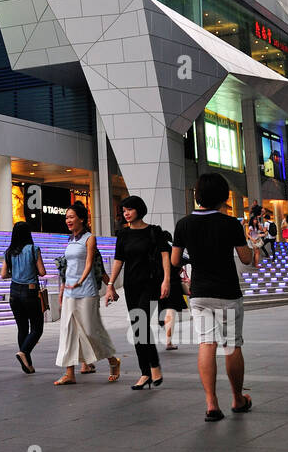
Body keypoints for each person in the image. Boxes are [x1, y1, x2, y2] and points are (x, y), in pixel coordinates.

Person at [171, 173, 255, 421]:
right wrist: (252, 242)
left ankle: (211, 404)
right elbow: (247, 258)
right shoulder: (230, 224)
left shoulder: (184, 224)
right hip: (227, 293)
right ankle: (238, 399)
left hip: (199, 293)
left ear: (197, 196)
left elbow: (175, 260)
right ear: (223, 196)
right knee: (232, 346)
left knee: (207, 344)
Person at [104, 195, 173, 389]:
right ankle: (145, 373)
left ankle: (154, 367)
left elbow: (164, 255)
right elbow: (119, 260)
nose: (126, 213)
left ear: (139, 210)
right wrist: (110, 285)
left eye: (130, 209)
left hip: (150, 284)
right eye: (124, 210)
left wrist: (166, 280)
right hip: (131, 285)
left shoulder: (154, 231)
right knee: (137, 328)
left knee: (141, 323)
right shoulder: (123, 234)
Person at [55, 201, 121, 385]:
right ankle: (69, 373)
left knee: (92, 330)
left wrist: (80, 281)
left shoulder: (89, 238)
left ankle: (113, 361)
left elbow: (91, 263)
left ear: (81, 219)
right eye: (66, 217)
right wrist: (63, 289)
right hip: (70, 291)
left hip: (86, 291)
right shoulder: (70, 240)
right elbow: (67, 267)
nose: (68, 220)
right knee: (68, 330)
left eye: (71, 217)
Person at [1, 221, 48, 373]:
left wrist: (14, 274)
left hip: (14, 292)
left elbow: (3, 275)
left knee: (22, 328)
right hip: (30, 291)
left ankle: (27, 364)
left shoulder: (9, 252)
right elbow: (42, 272)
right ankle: (24, 352)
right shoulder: (33, 249)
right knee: (37, 327)